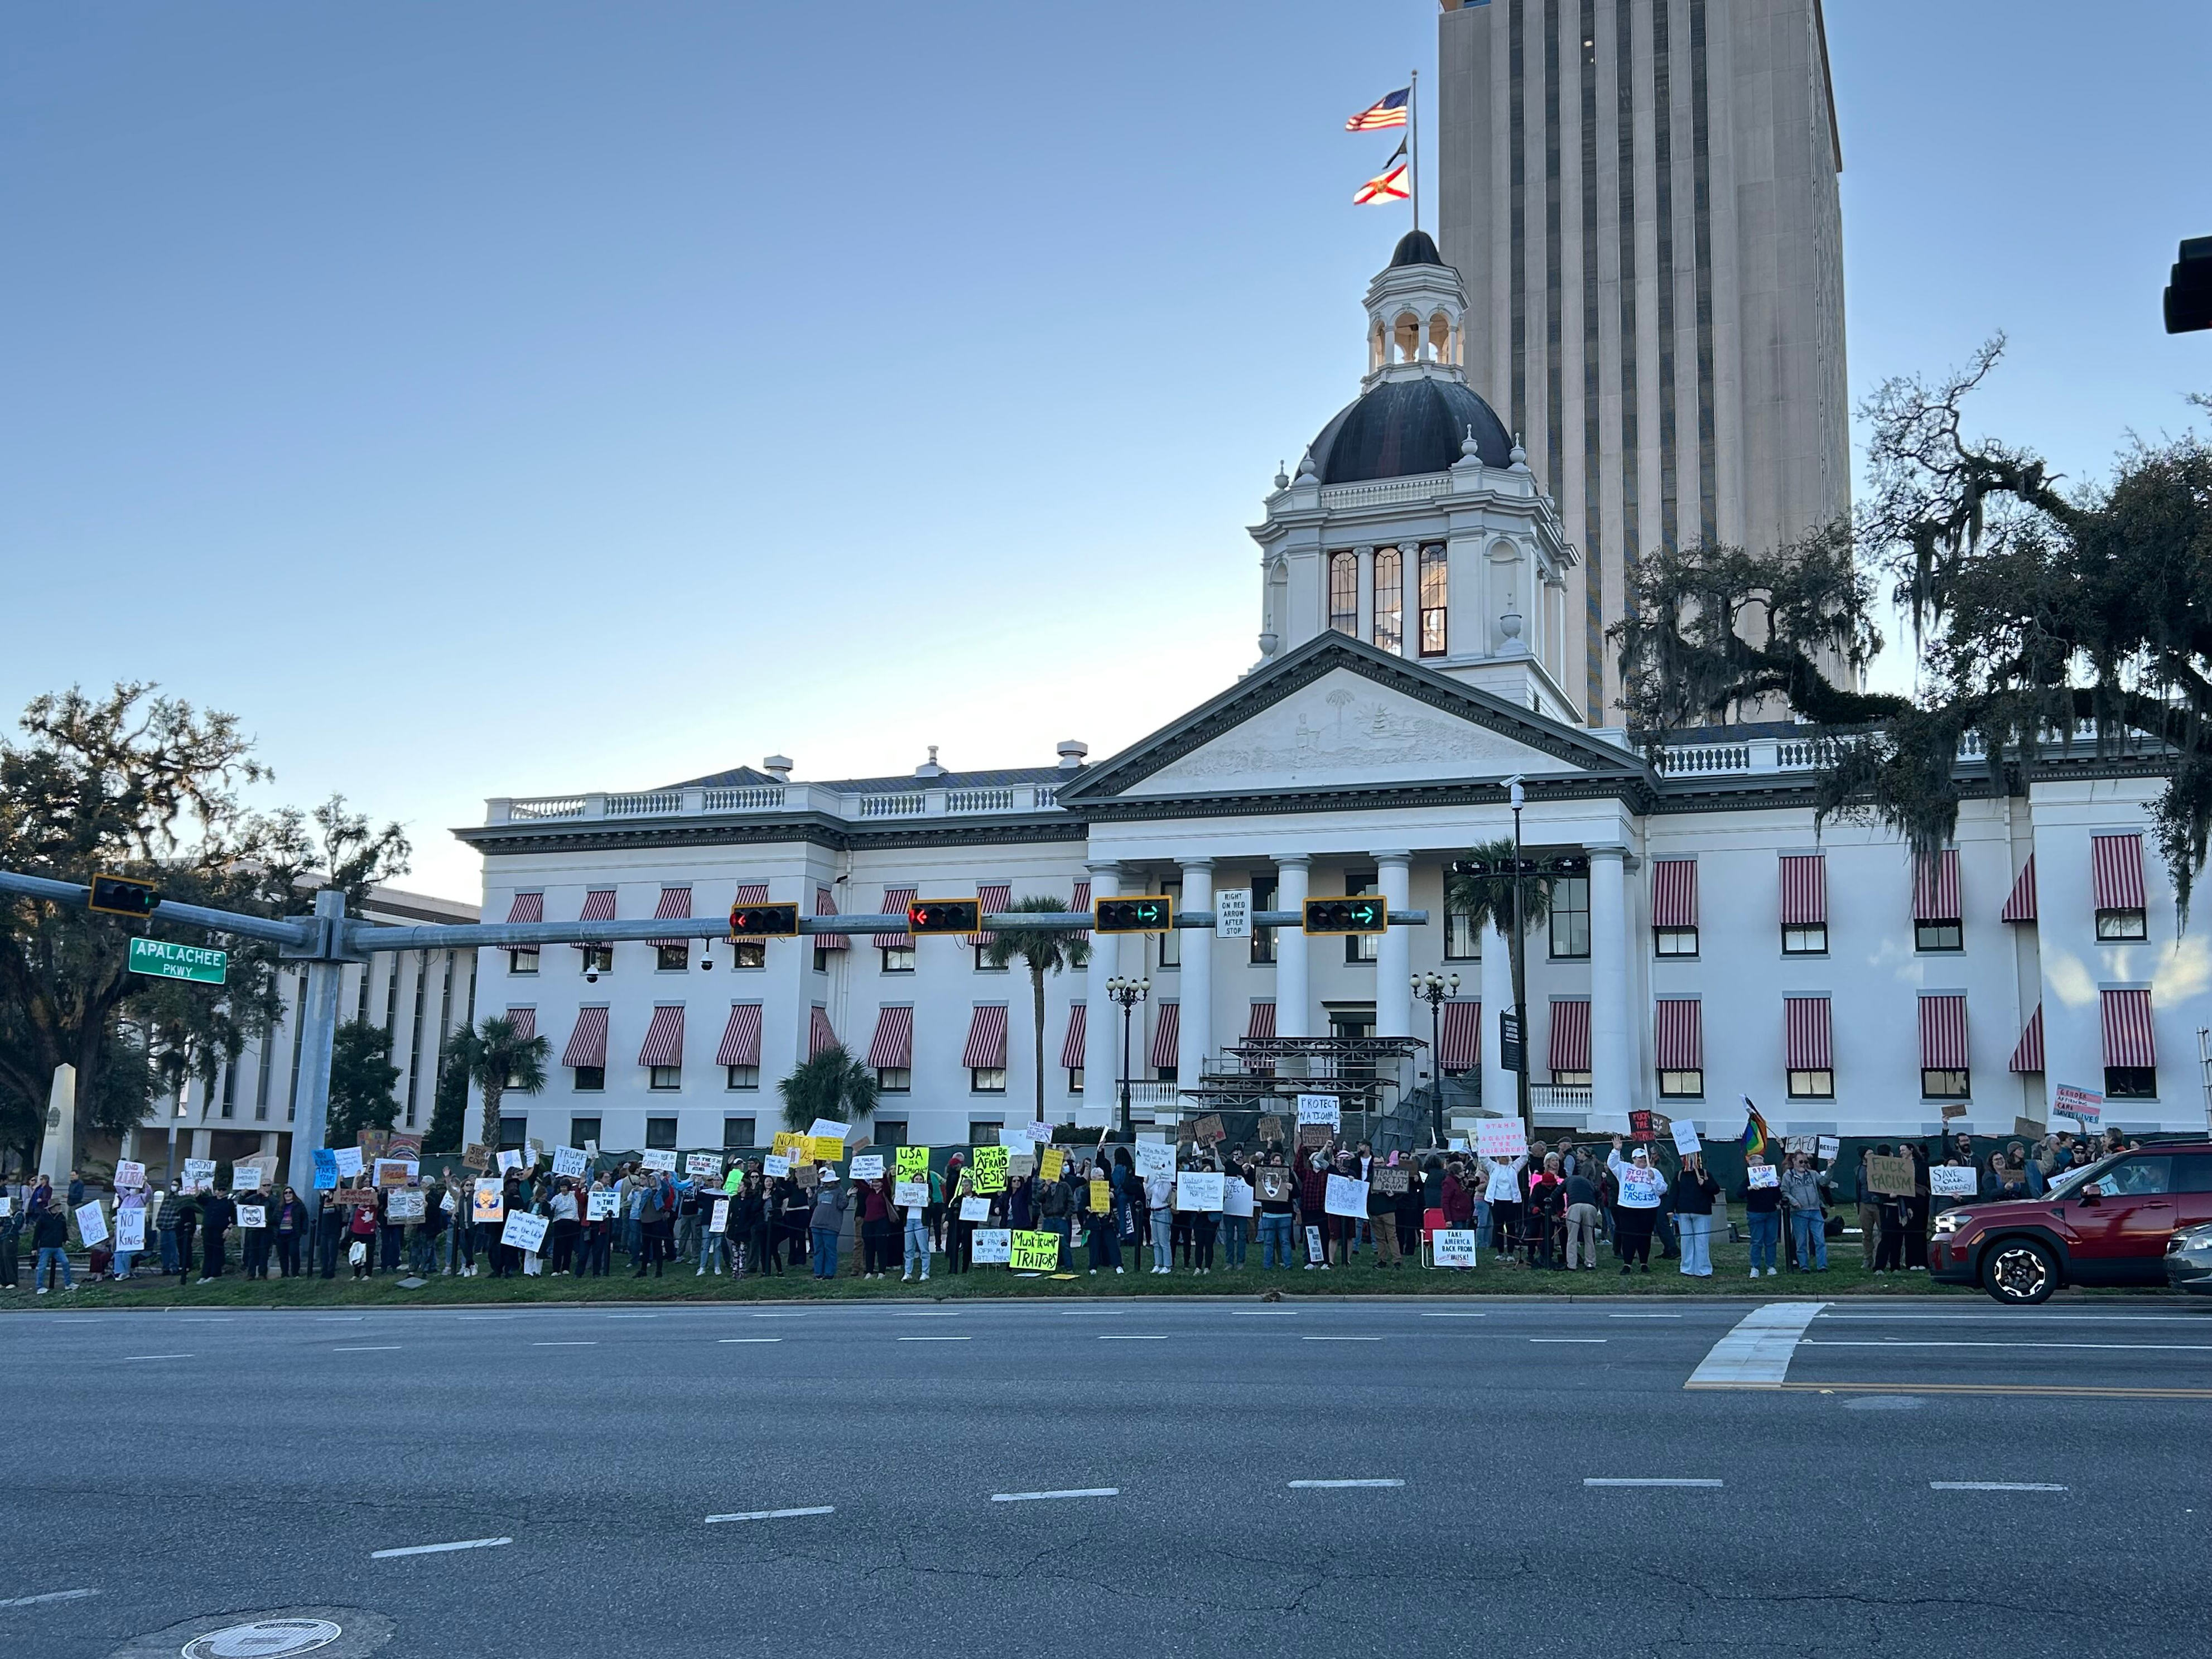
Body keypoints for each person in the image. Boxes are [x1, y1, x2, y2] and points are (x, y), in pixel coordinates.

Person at [1606, 1138, 1663, 1274]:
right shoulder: (1625, 1168)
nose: (1642, 1160)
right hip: (1628, 1207)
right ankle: (1627, 1264)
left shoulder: (1654, 1172)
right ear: (1633, 1159)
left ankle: (1644, 1263)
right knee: (1628, 1236)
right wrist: (1616, 1150)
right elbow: (1612, 1164)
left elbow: (1662, 1190)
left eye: (1644, 1157)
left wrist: (1653, 1179)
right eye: (1639, 1158)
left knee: (1645, 1236)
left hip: (1648, 1208)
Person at [1779, 1152, 1835, 1271]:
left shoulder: (1813, 1174)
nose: (1803, 1164)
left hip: (1815, 1211)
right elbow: (1784, 1191)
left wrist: (1829, 1168)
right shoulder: (1788, 1176)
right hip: (1799, 1212)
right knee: (1801, 1241)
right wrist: (1794, 1201)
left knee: (1820, 1241)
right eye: (1801, 1161)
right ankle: (1804, 1266)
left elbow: (1824, 1182)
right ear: (1794, 1161)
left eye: (1806, 1162)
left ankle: (1822, 1266)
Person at [1671, 1152, 1720, 1277]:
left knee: (1701, 1241)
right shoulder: (1680, 1175)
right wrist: (1670, 1209)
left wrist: (1705, 1184)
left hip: (1702, 1212)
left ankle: (1703, 1269)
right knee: (1686, 1241)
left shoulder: (1705, 1174)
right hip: (1684, 1212)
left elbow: (1716, 1189)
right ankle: (1687, 1268)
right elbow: (1674, 1193)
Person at [1738, 1151, 1782, 1277]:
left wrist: (1777, 1185)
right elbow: (1739, 1193)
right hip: (1755, 1213)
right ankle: (1755, 1267)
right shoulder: (1748, 1180)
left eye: (1762, 1164)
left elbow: (1777, 1197)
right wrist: (1750, 1188)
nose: (1761, 1166)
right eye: (1758, 1164)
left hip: (1771, 1212)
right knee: (1757, 1241)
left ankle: (1771, 1266)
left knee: (1771, 1241)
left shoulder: (1769, 1178)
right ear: (1751, 1166)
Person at [1561, 1158, 1603, 1270]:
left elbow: (1557, 1193)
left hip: (1575, 1206)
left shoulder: (1568, 1180)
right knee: (1589, 1237)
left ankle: (1572, 1265)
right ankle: (1590, 1264)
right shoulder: (1589, 1182)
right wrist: (1596, 1207)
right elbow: (1599, 1194)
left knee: (1572, 1238)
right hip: (1590, 1206)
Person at [1256, 1151, 1294, 1268]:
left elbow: (1297, 1193)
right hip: (1268, 1214)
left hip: (1285, 1214)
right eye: (1273, 1160)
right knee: (1268, 1242)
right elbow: (1255, 1185)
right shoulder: (1263, 1173)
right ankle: (1267, 1265)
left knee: (1285, 1241)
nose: (1275, 1162)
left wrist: (1292, 1188)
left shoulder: (1288, 1174)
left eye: (1277, 1161)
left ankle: (1288, 1265)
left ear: (1282, 1162)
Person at [809, 1171, 849, 1279]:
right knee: (818, 1250)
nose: (829, 1183)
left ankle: (829, 1273)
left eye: (831, 1181)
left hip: (831, 1225)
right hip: (816, 1223)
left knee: (830, 1249)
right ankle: (818, 1273)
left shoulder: (840, 1191)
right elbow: (812, 1204)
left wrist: (848, 1196)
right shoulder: (820, 1190)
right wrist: (810, 1196)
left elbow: (842, 1205)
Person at [1144, 1154, 1175, 1275]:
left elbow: (1162, 1197)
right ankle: (1158, 1264)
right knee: (1156, 1241)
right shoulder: (1155, 1181)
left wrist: (1159, 1182)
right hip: (1154, 1212)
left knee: (1164, 1241)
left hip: (1163, 1212)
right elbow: (1148, 1194)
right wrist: (1147, 1183)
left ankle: (1167, 1265)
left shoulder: (1166, 1182)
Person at [32, 1202, 71, 1294]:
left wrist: (66, 1240)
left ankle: (68, 1283)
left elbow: (64, 1230)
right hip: (45, 1246)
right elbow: (37, 1233)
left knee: (66, 1262)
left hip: (58, 1246)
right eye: (58, 1206)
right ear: (52, 1207)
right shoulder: (43, 1218)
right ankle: (39, 1286)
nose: (59, 1208)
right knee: (42, 1267)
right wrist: (34, 1247)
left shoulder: (61, 1217)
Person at [901, 1171, 932, 1283]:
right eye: (916, 1179)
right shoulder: (907, 1191)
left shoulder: (927, 1192)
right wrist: (898, 1199)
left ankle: (925, 1273)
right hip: (909, 1221)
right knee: (909, 1249)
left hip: (921, 1222)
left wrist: (929, 1203)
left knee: (924, 1249)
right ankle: (907, 1273)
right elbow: (902, 1207)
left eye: (920, 1179)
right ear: (913, 1181)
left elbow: (933, 1209)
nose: (918, 1181)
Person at [197, 1185, 233, 1283]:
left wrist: (228, 1229)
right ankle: (205, 1275)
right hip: (207, 1229)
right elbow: (199, 1199)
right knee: (208, 1252)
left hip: (220, 1230)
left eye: (223, 1190)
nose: (221, 1191)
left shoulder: (229, 1202)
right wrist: (197, 1186)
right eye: (219, 1189)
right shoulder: (210, 1200)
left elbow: (234, 1218)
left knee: (217, 1252)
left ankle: (215, 1274)